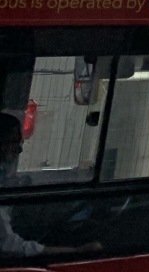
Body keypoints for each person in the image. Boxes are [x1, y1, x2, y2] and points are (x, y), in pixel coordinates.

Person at [0, 112, 100, 262]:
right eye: (12, 142)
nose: (19, 150)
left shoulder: (6, 179)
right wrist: (76, 251)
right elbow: (10, 247)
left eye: (19, 142)